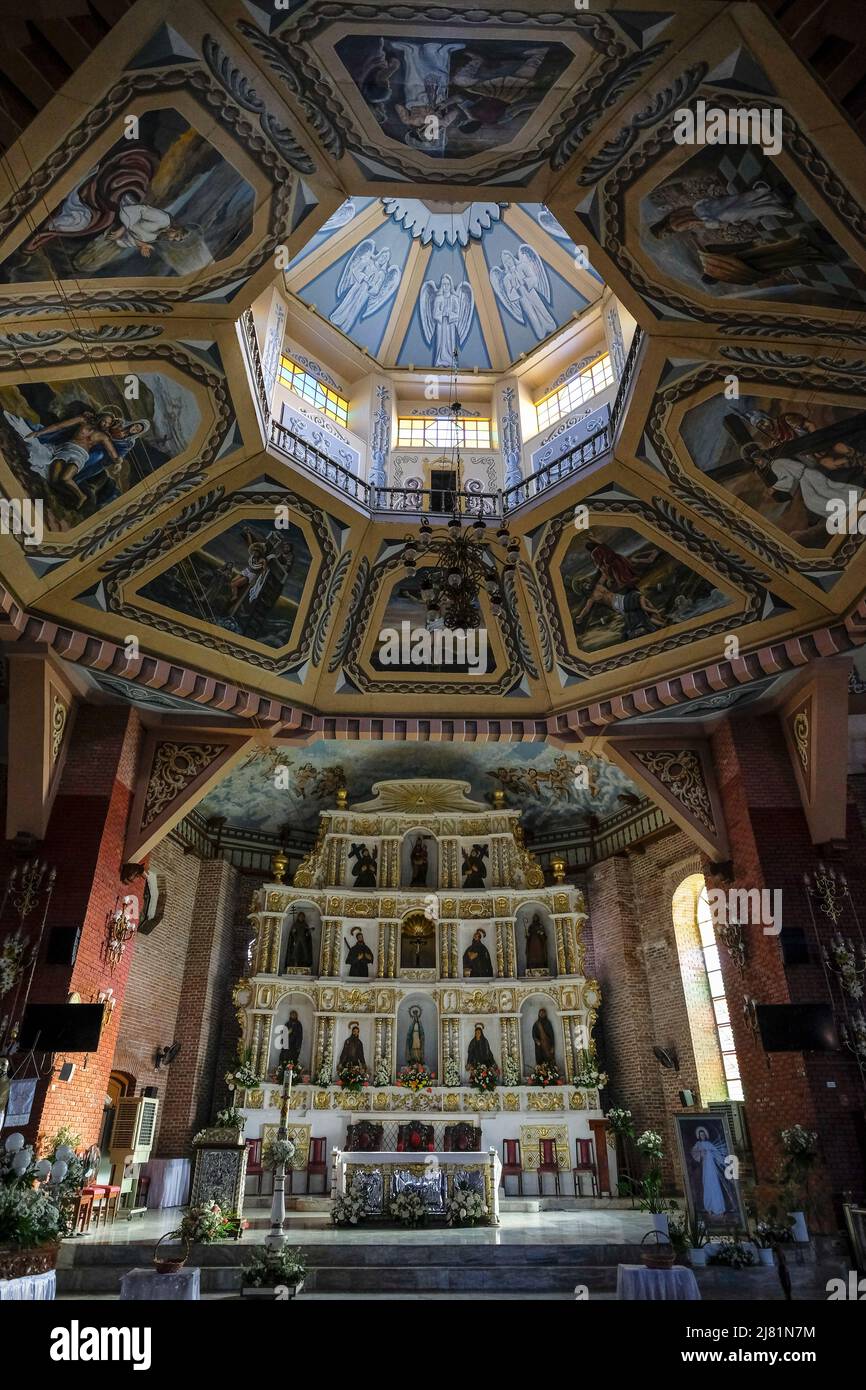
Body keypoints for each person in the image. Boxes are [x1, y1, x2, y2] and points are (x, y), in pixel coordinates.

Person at [690, 1125, 735, 1218]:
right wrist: (701, 1154)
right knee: (707, 1185)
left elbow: (717, 1153)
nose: (702, 1136)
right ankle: (709, 1207)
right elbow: (694, 1153)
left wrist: (711, 1153)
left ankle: (719, 1207)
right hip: (705, 1168)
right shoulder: (698, 1144)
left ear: (705, 1135)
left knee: (715, 1185)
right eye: (700, 1135)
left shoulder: (710, 1144)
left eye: (703, 1135)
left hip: (712, 1169)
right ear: (698, 1136)